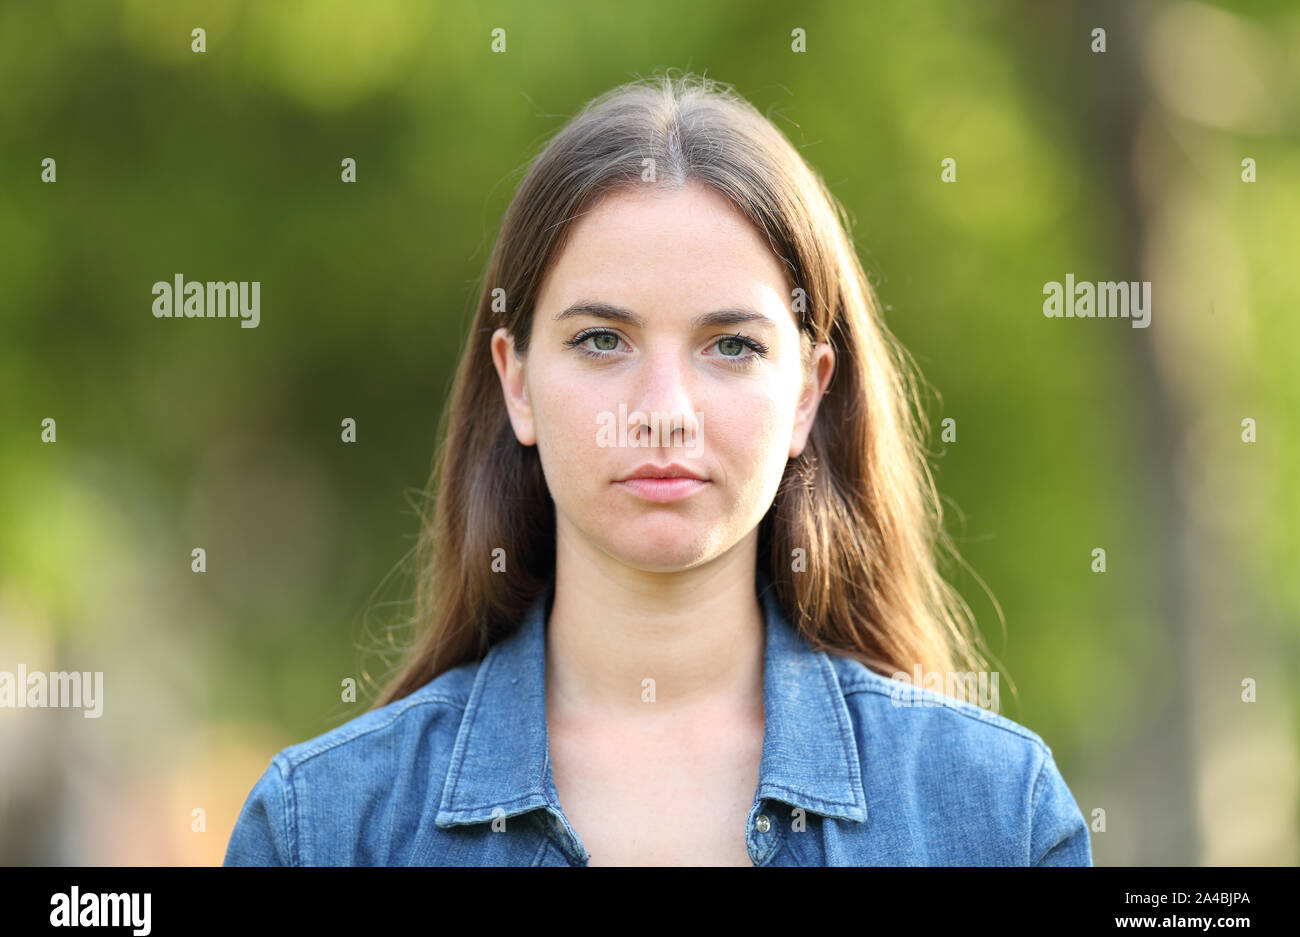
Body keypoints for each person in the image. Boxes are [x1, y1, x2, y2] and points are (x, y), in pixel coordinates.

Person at [224, 71, 1092, 867]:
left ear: (806, 394)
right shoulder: (326, 830)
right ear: (517, 381)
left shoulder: (998, 818)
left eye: (732, 346)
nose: (664, 409)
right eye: (602, 340)